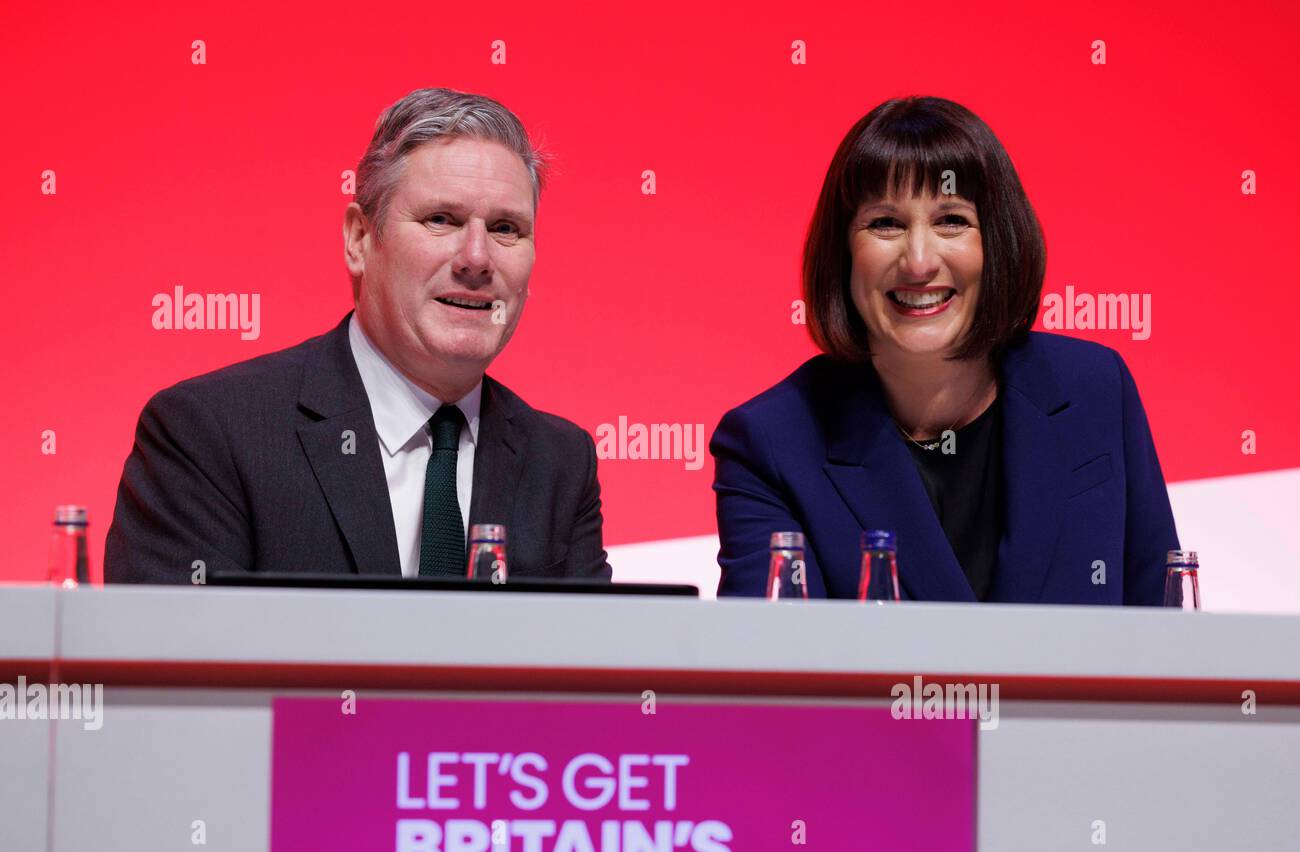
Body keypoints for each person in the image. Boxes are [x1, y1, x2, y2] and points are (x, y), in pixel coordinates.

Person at [105, 88, 612, 584]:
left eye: (505, 228)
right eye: (441, 219)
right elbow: (172, 661)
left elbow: (591, 662)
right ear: (359, 240)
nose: (476, 259)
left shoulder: (561, 462)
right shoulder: (212, 433)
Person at [710, 96, 1177, 604]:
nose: (918, 262)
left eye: (951, 220)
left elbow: (1164, 636)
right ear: (843, 252)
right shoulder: (770, 444)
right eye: (885, 223)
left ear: (997, 241)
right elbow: (776, 669)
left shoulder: (1095, 389)